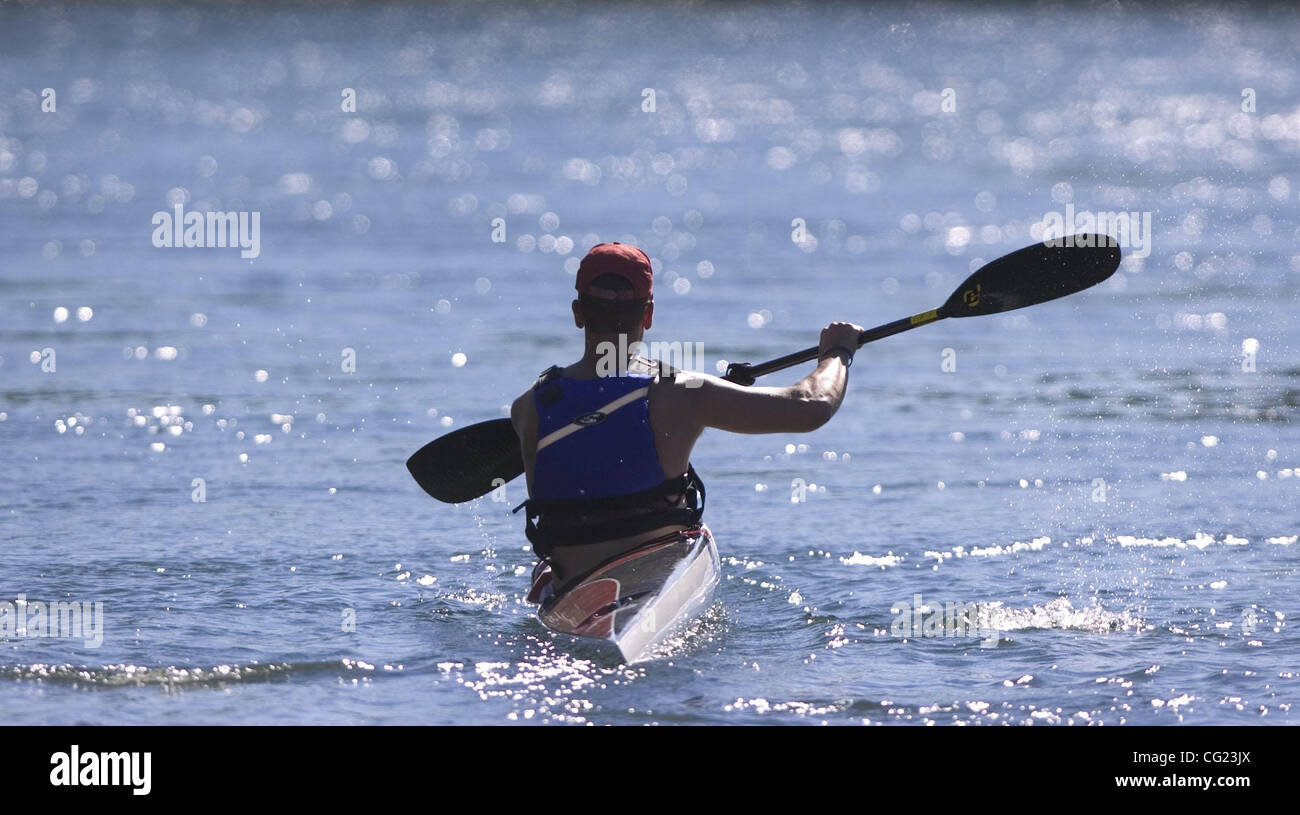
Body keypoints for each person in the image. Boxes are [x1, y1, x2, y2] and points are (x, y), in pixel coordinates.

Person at [510, 242, 862, 590]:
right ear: (648, 315)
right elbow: (811, 406)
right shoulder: (683, 394)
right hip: (653, 589)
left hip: (574, 592)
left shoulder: (528, 408)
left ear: (578, 313)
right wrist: (837, 352)